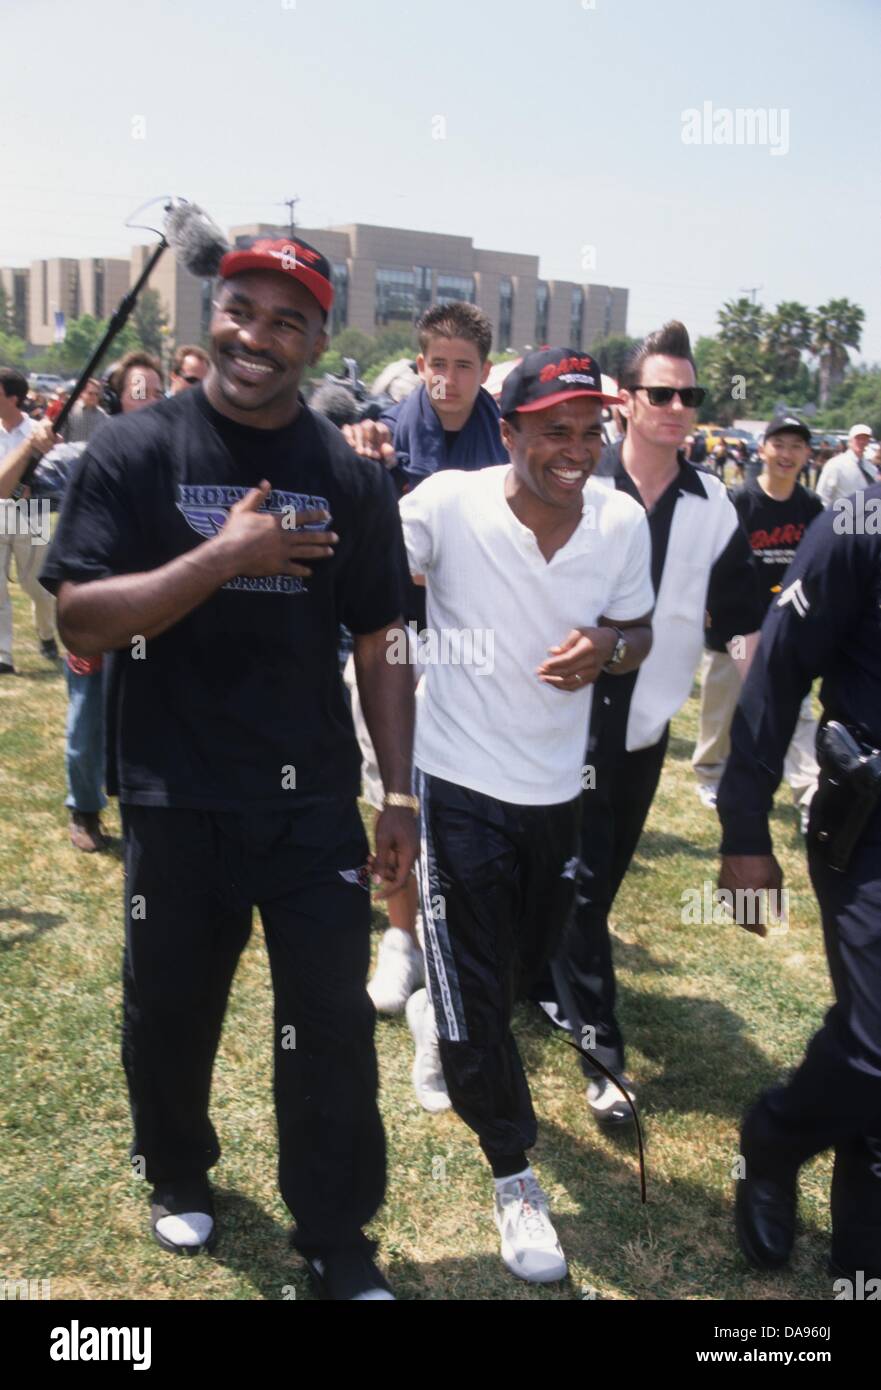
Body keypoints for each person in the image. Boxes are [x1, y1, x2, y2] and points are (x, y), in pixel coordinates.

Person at [40, 234, 418, 1301]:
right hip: (176, 793)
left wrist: (397, 792)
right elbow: (79, 614)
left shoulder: (345, 475)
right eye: (243, 311)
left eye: (287, 320)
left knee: (332, 1025)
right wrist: (224, 557)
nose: (260, 336)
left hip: (308, 811)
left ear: (314, 341)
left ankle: (336, 1237)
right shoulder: (135, 450)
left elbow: (383, 638)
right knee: (170, 1007)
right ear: (211, 316)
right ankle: (175, 1167)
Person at [399, 347, 654, 1282]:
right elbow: (369, 583)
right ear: (507, 432)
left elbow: (640, 631)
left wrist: (608, 645)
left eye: (592, 431)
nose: (577, 450)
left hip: (557, 797)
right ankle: (514, 1174)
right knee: (477, 1013)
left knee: (514, 977)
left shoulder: (621, 522)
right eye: (554, 430)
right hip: (457, 783)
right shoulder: (444, 505)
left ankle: (443, 1004)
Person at [540, 322, 763, 1126]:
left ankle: (543, 980)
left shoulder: (713, 506)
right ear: (626, 403)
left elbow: (739, 616)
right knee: (578, 881)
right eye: (660, 393)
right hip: (555, 719)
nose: (676, 408)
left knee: (589, 892)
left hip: (641, 734)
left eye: (689, 396)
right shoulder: (576, 482)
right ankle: (603, 1054)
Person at [717, 485, 881, 1284]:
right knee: (877, 1042)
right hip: (869, 825)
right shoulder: (860, 525)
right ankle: (774, 1139)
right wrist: (745, 833)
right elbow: (776, 672)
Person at [344, 303, 510, 1024]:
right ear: (419, 365)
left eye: (462, 366)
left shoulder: (506, 435)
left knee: (469, 793)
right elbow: (364, 550)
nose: (447, 380)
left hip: (475, 642)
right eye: (435, 364)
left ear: (483, 370)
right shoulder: (374, 432)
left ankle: (458, 932)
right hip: (392, 640)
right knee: (393, 788)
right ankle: (401, 935)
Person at [692, 414, 823, 828]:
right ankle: (711, 773)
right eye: (779, 444)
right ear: (762, 449)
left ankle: (810, 794)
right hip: (736, 625)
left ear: (807, 455)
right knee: (724, 701)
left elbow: (819, 570)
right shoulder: (739, 501)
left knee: (799, 710)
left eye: (797, 447)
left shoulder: (812, 508)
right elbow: (712, 561)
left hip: (786, 627)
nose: (787, 454)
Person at [0, 367, 58, 673]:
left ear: (13, 398)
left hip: (32, 514)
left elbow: (51, 475)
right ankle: (3, 655)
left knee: (36, 586)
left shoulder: (40, 432)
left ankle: (47, 634)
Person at [816, 423, 877, 507]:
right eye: (858, 438)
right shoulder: (835, 464)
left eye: (865, 439)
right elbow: (823, 494)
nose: (862, 442)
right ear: (850, 441)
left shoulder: (871, 468)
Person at [63, 378, 108, 445]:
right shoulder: (70, 411)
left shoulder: (103, 416)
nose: (94, 396)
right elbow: (61, 436)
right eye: (90, 393)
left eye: (97, 394)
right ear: (82, 393)